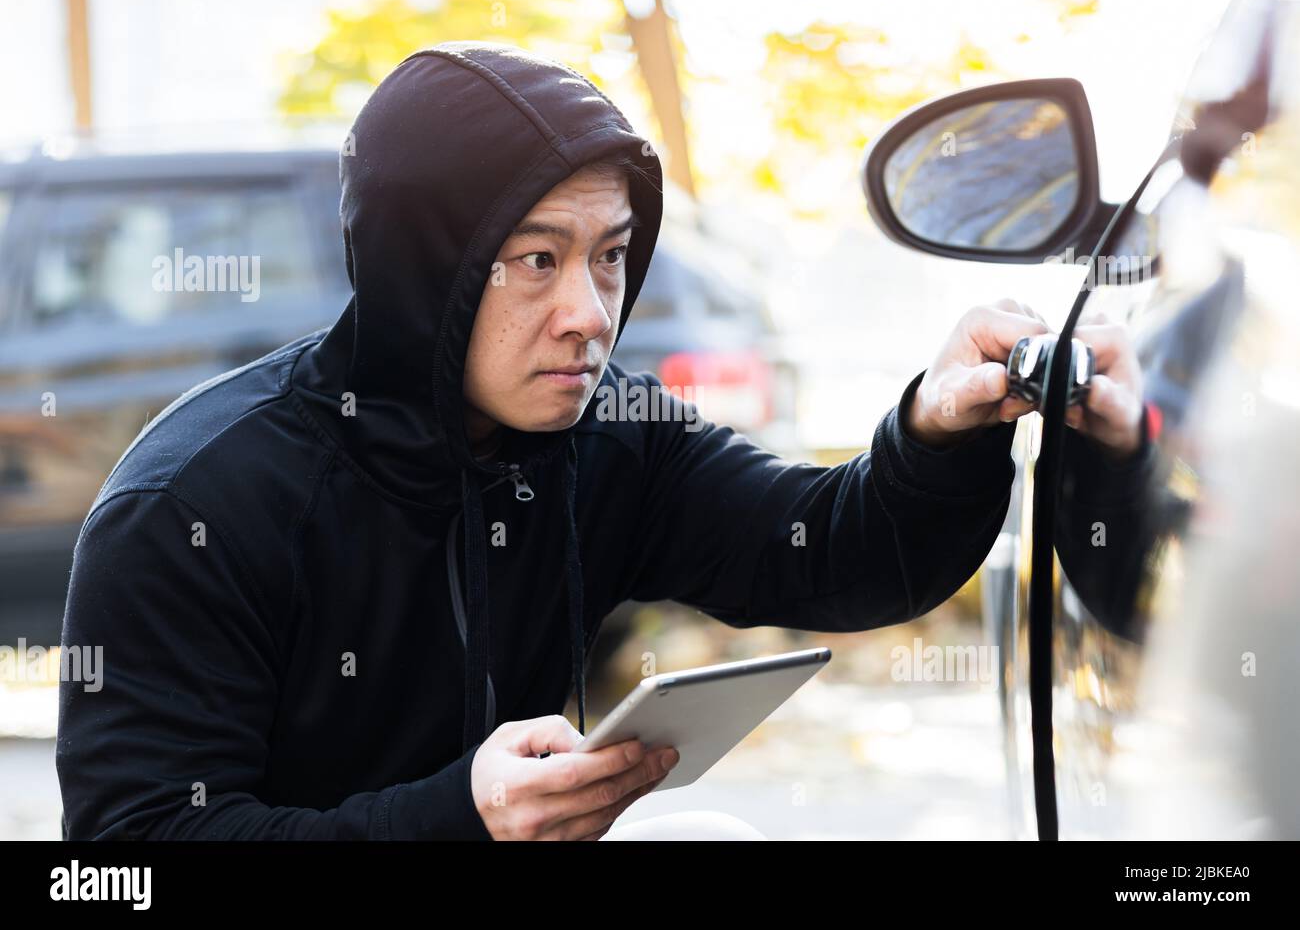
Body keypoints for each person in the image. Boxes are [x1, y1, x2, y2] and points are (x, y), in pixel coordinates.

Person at [55, 42, 1141, 841]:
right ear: (423, 266)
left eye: (612, 255)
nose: (590, 309)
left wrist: (936, 427)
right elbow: (125, 855)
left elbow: (827, 551)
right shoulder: (194, 502)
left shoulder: (600, 434)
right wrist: (455, 817)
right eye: (536, 259)